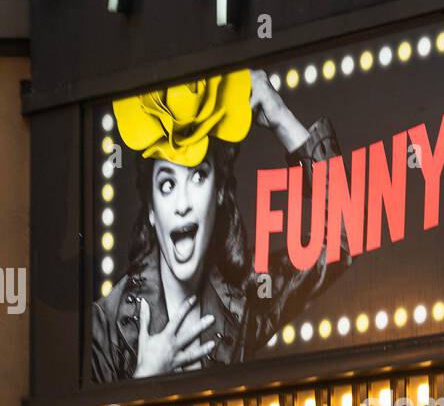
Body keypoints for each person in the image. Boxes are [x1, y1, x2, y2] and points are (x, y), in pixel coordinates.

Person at [91, 68, 345, 382]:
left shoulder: (246, 301)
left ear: (220, 193)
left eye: (198, 177)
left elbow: (345, 235)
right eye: (167, 184)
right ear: (152, 210)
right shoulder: (104, 325)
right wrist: (145, 378)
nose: (183, 203)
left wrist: (281, 117)